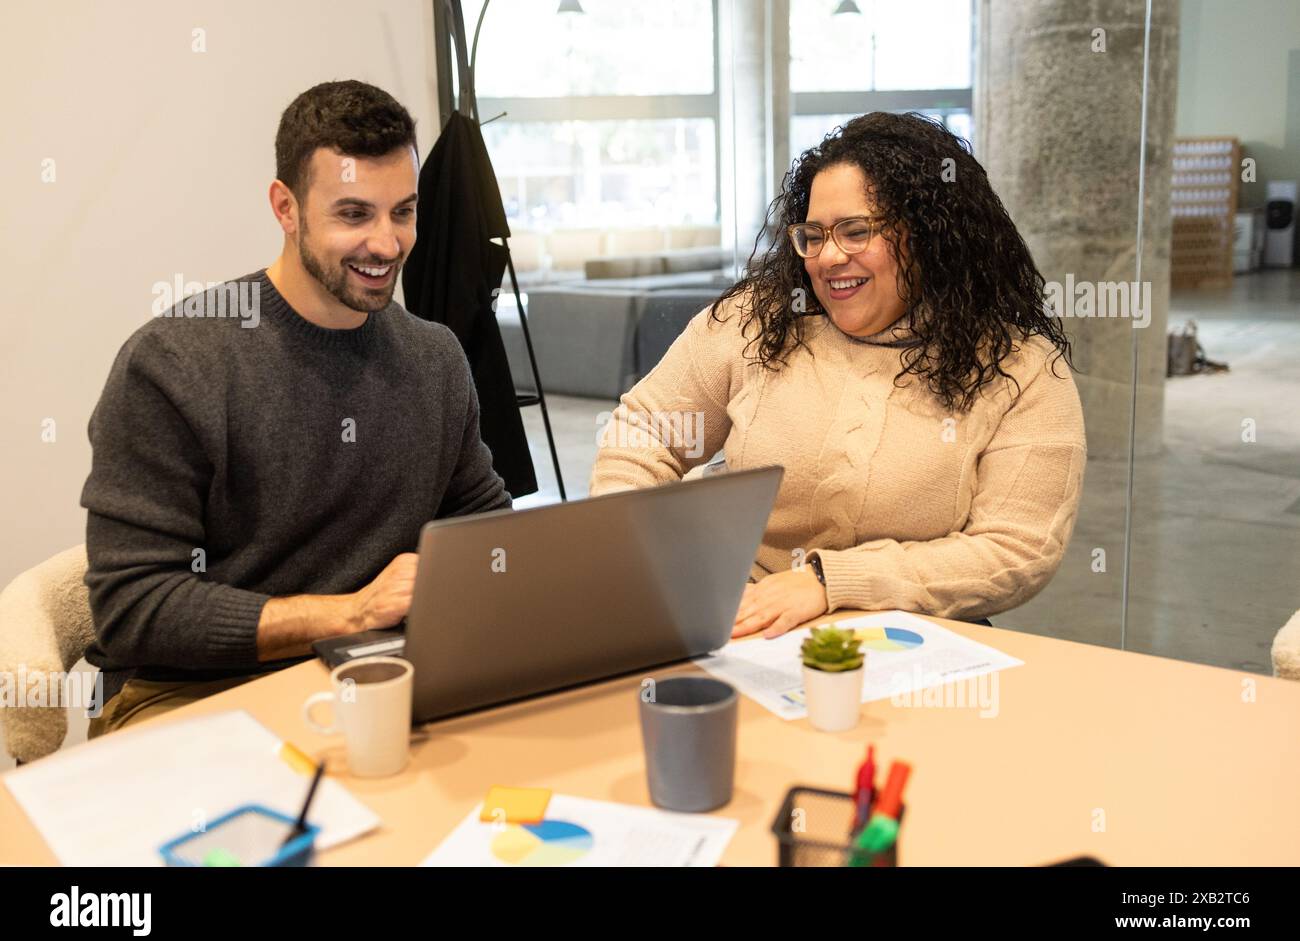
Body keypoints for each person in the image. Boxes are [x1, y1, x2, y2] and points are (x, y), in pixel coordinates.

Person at [82, 80, 510, 736]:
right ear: (285, 208)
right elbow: (134, 608)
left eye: (403, 211)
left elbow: (484, 531)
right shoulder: (172, 366)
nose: (389, 244)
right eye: (354, 214)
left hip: (388, 671)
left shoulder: (435, 358)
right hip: (197, 695)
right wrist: (351, 614)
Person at [590, 112, 1086, 640]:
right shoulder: (755, 321)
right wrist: (639, 548)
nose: (828, 257)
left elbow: (1016, 550)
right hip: (746, 620)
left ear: (929, 235)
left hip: (916, 639)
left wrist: (832, 583)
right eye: (813, 235)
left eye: (855, 232)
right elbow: (645, 430)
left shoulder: (1021, 368)